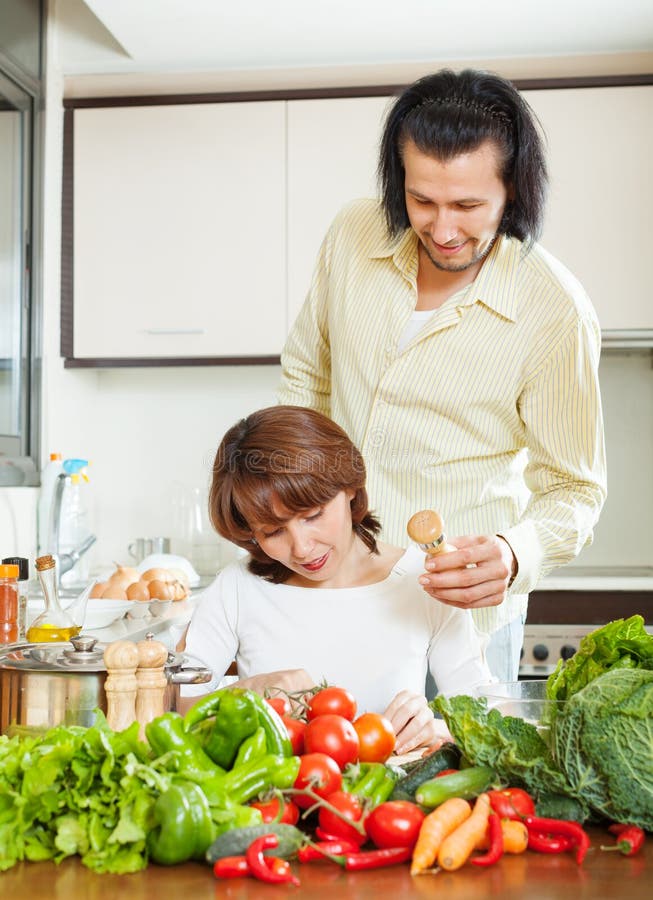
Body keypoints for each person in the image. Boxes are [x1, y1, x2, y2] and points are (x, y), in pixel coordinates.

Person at [277, 68, 607, 682]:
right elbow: (305, 372)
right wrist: (293, 501)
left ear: (514, 192)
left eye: (468, 205)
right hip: (328, 598)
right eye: (422, 200)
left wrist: (514, 555)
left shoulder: (555, 310)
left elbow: (575, 489)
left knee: (456, 779)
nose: (444, 229)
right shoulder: (354, 234)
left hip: (458, 624)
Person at [179, 405, 493, 754]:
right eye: (272, 531)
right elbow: (180, 711)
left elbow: (481, 717)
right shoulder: (237, 588)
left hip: (391, 799)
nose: (301, 548)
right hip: (278, 797)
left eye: (312, 515)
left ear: (351, 489)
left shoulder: (424, 578)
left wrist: (433, 726)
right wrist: (247, 691)